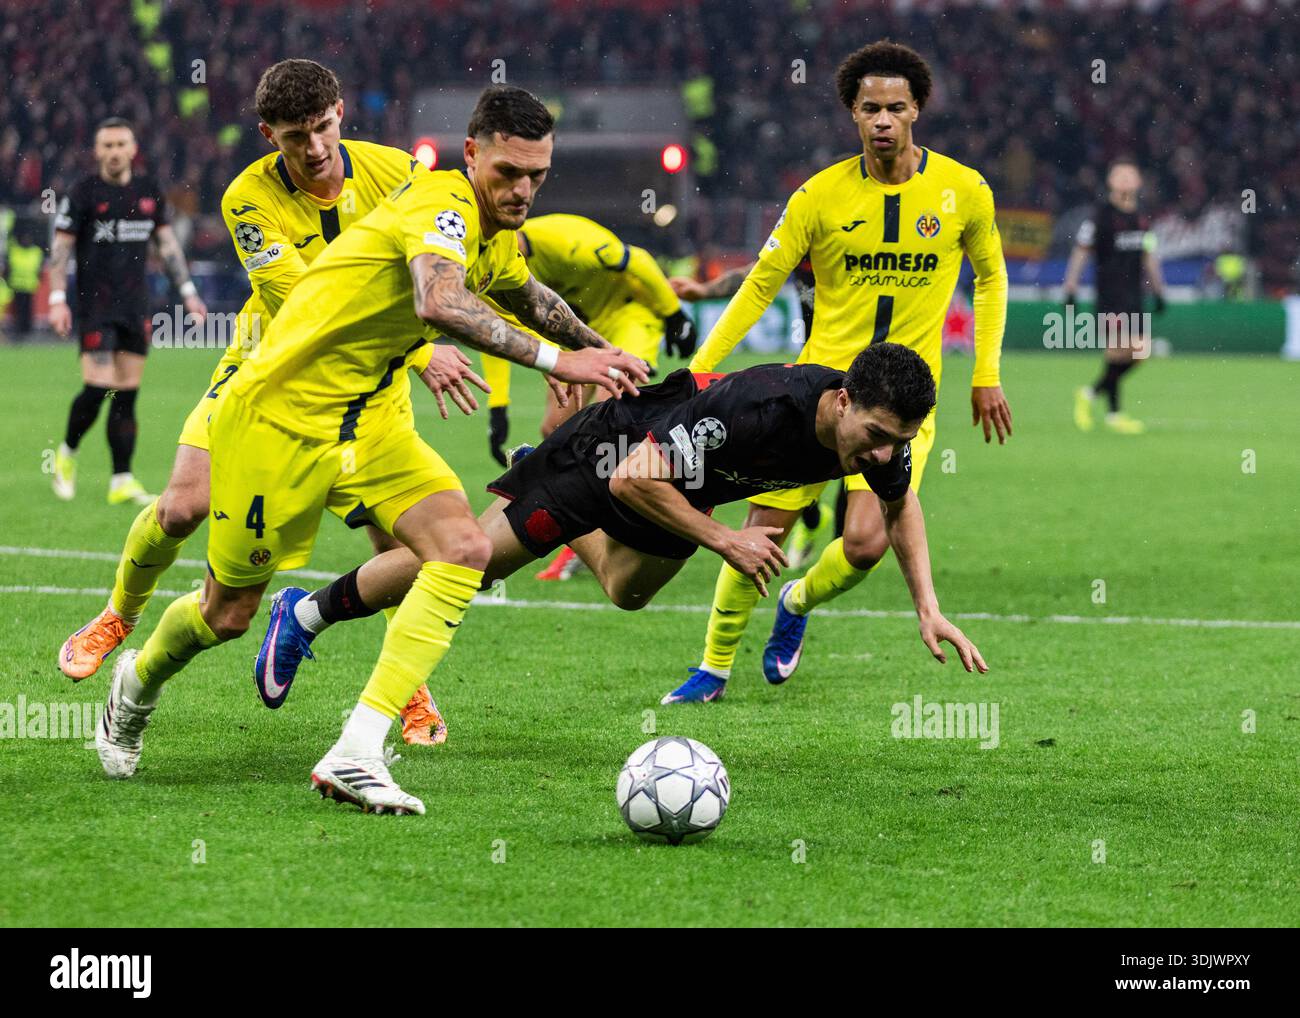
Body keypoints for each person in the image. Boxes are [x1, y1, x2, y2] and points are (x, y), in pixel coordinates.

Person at [93, 85, 648, 817]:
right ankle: (134, 688)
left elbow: (525, 291)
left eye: (536, 176)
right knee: (226, 615)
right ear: (472, 154)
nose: (522, 190)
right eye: (508, 173)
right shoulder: (438, 204)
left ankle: (357, 750)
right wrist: (559, 363)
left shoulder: (486, 228)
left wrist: (601, 350)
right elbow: (440, 302)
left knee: (461, 548)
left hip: (369, 419)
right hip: (280, 420)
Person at [57, 59, 479, 745]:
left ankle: (406, 687)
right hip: (263, 369)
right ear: (267, 135)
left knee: (403, 543)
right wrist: (423, 348)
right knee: (182, 507)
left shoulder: (400, 174)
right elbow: (303, 302)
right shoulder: (246, 198)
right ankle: (119, 615)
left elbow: (434, 265)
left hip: (368, 387)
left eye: (320, 128)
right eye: (292, 137)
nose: (312, 148)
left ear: (340, 111)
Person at [257, 343, 987, 711]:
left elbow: (899, 506)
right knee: (465, 563)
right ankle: (306, 611)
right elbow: (633, 476)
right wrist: (726, 539)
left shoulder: (878, 436)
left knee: (626, 591)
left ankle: (533, 484)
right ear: (842, 398)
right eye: (880, 435)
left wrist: (929, 606)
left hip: (679, 487)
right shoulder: (761, 407)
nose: (886, 454)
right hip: (604, 456)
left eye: (900, 441)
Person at [667, 40, 1011, 703]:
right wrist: (701, 370)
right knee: (763, 530)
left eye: (896, 108)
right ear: (852, 114)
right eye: (869, 108)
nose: (883, 121)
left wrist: (985, 373)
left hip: (905, 405)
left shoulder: (964, 190)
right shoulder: (818, 197)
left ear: (918, 111)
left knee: (862, 546)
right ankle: (712, 669)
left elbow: (993, 277)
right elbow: (760, 286)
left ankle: (797, 600)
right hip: (818, 396)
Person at [46, 116, 208, 505]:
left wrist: (188, 292)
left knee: (126, 395)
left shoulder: (148, 191)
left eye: (121, 145)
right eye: (107, 145)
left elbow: (168, 247)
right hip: (95, 306)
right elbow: (61, 251)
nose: (115, 152)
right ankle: (66, 454)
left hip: (135, 307)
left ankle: (121, 480)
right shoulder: (84, 192)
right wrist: (55, 300)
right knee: (98, 385)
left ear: (133, 150)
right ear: (97, 151)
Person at [1065, 159, 1167, 434]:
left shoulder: (1142, 219)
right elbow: (1080, 252)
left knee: (1140, 351)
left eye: (1129, 175)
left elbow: (1149, 257)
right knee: (1118, 350)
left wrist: (1159, 292)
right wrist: (1070, 288)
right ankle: (1114, 414)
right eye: (1119, 175)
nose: (1124, 180)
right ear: (1110, 181)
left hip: (1135, 295)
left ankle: (1089, 393)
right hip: (1110, 295)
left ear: (1138, 182)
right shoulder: (1100, 216)